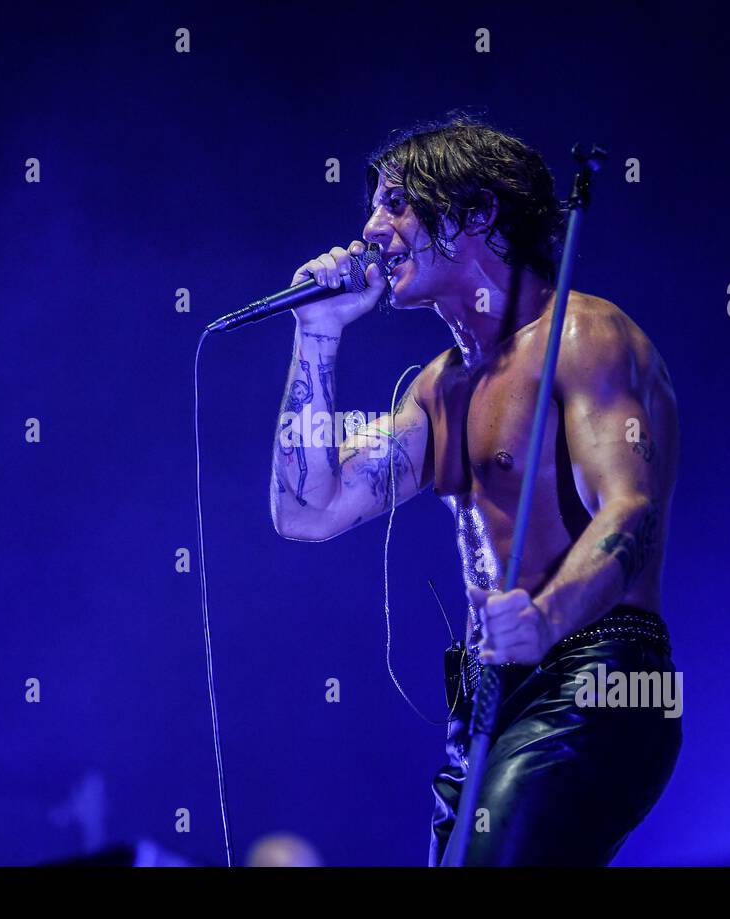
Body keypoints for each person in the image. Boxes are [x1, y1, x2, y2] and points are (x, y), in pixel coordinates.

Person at [269, 117, 682, 866]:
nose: (371, 228)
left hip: (593, 673)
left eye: (396, 202)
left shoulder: (583, 335)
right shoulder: (439, 388)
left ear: (478, 212)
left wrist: (547, 616)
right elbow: (307, 511)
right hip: (490, 695)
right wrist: (317, 334)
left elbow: (631, 509)